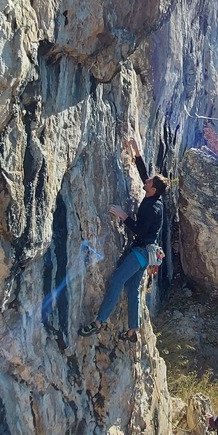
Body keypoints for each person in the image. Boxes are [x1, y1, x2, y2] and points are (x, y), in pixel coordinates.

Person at [78, 138, 168, 344]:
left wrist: (123, 215)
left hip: (141, 252)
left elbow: (139, 230)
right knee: (132, 288)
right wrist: (137, 153)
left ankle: (99, 322)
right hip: (147, 255)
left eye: (148, 183)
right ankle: (132, 330)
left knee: (118, 280)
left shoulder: (151, 208)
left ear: (152, 189)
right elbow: (145, 175)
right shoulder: (157, 197)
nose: (145, 182)